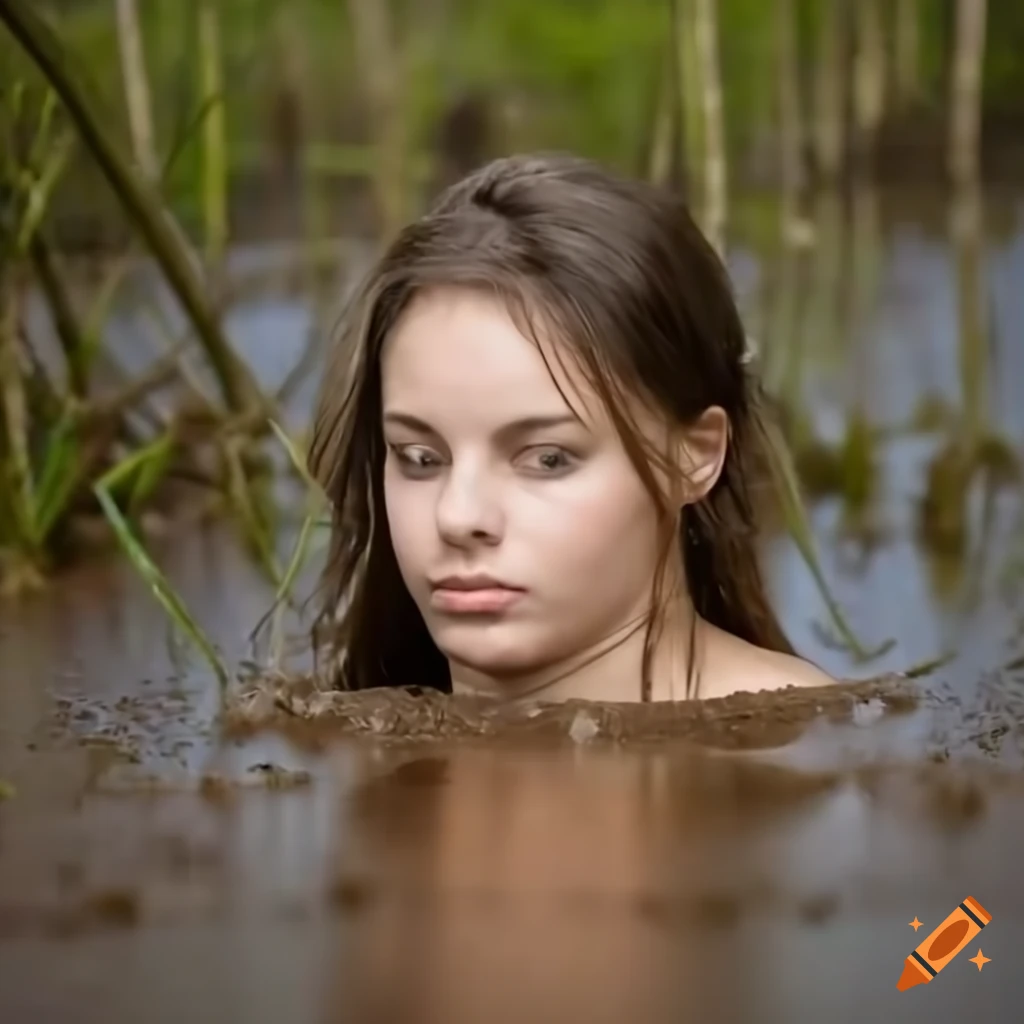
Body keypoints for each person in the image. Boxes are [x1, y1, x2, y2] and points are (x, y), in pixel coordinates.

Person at [308, 153, 834, 702]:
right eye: (420, 457)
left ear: (693, 455)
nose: (458, 517)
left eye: (547, 458)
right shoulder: (332, 746)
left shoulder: (807, 754)